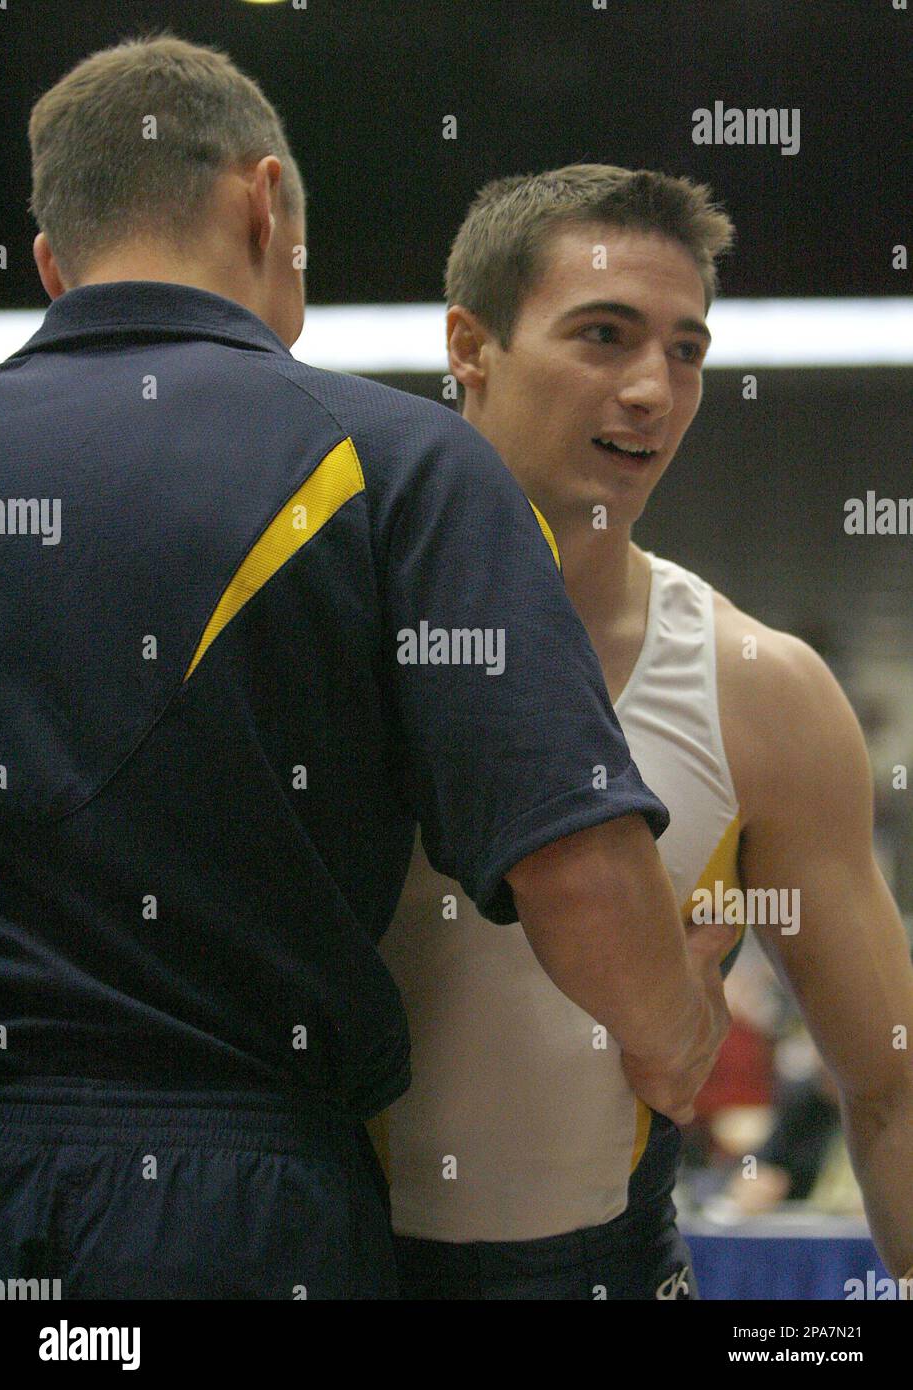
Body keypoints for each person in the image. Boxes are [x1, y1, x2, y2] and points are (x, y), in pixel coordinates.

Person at [0, 44, 730, 1300]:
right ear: (262, 204)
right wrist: (683, 1032)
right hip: (235, 1210)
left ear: (55, 264)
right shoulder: (397, 463)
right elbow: (578, 871)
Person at [381, 164, 913, 1299]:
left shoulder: (762, 689)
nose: (652, 391)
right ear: (470, 347)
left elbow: (890, 1080)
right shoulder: (331, 637)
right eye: (605, 334)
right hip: (325, 1252)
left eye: (686, 350)